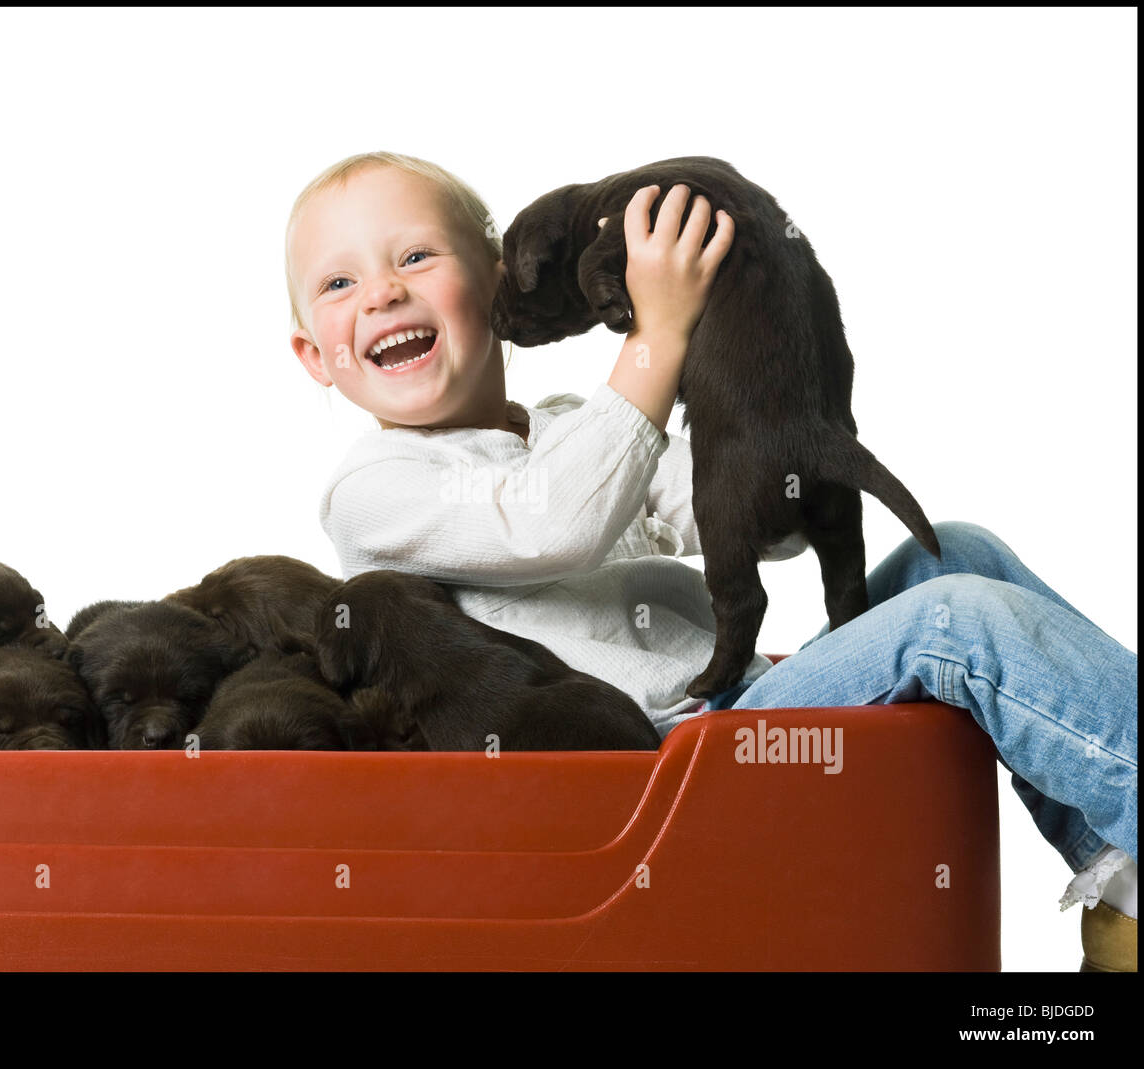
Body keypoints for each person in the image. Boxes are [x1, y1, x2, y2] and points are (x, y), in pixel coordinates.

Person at [286, 150, 1137, 972]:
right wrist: (656, 336)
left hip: (732, 700)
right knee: (958, 626)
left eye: (415, 255)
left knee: (956, 553)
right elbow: (553, 519)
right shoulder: (372, 489)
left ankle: (1124, 885)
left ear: (500, 272)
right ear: (313, 357)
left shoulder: (573, 422)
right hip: (671, 759)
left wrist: (767, 388)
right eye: (339, 283)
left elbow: (759, 522)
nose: (383, 290)